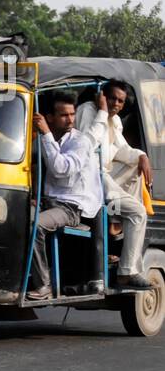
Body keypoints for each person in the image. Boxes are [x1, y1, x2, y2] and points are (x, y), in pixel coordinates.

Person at [75, 81, 152, 289]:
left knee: (136, 163)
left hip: (105, 175)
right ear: (101, 96)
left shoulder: (115, 120)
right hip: (89, 176)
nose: (116, 104)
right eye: (112, 99)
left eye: (121, 101)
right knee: (138, 212)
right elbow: (86, 147)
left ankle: (116, 216)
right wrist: (101, 111)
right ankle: (127, 272)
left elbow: (122, 149)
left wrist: (142, 155)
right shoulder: (87, 111)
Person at [27, 93, 104, 301]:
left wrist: (45, 134)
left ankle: (44, 285)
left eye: (72, 114)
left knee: (35, 224)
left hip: (70, 207)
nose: (70, 120)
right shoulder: (41, 140)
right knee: (15, 219)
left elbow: (61, 168)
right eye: (64, 115)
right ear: (49, 117)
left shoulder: (80, 142)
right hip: (46, 202)